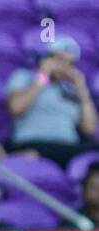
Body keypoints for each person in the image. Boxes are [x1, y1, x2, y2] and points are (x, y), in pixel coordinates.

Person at [5, 37, 98, 167]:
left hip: (68, 147)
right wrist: (43, 75)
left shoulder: (71, 90)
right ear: (46, 58)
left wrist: (82, 90)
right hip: (34, 144)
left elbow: (89, 129)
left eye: (69, 63)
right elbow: (16, 108)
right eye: (59, 60)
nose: (64, 67)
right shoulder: (24, 77)